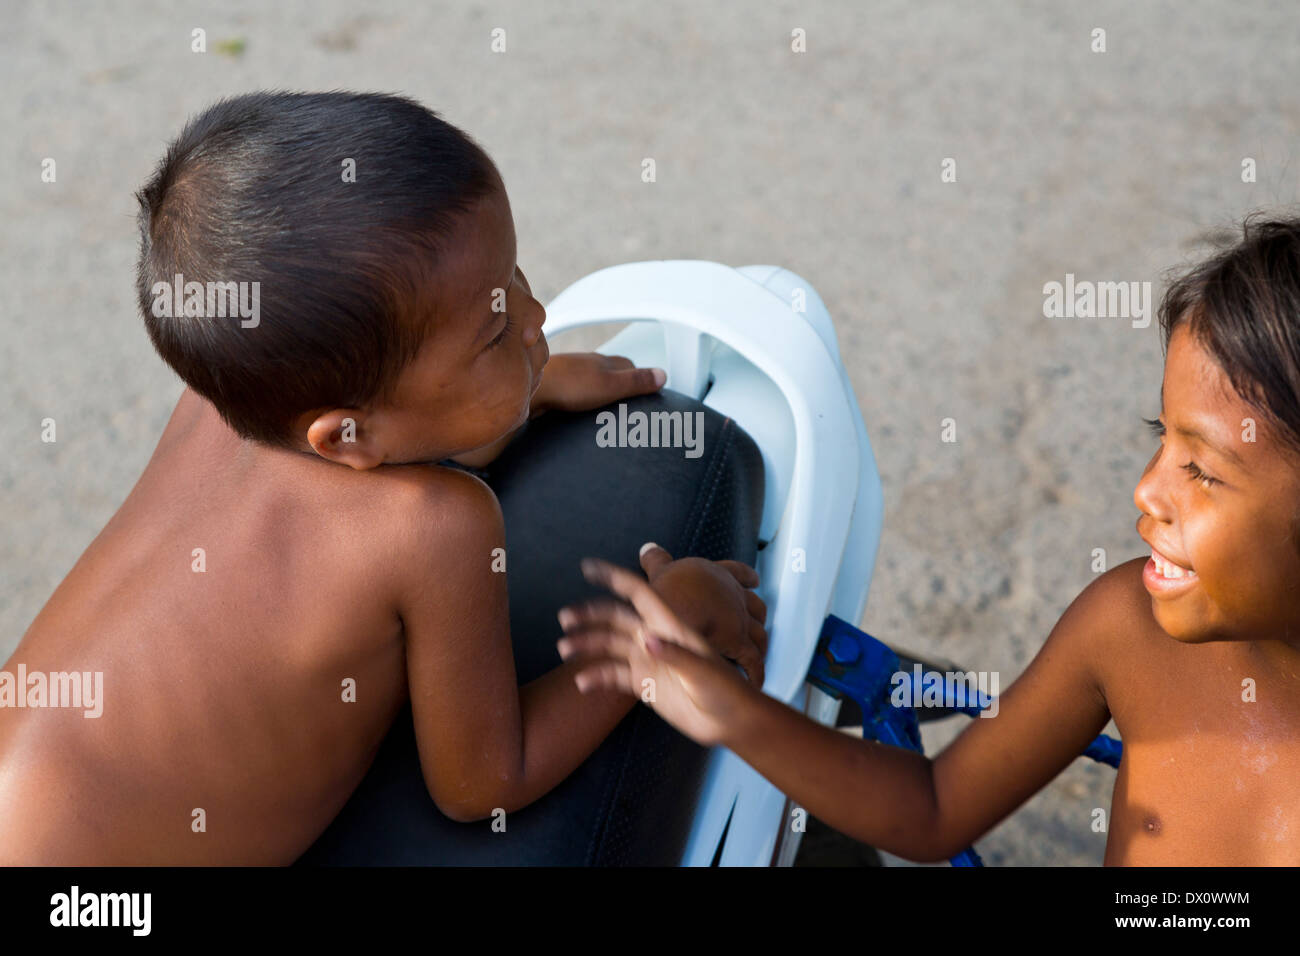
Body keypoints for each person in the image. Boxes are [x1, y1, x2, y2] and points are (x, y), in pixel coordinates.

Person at [0, 91, 766, 864]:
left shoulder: (219, 400)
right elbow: (483, 782)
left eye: (515, 279)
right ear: (346, 433)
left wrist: (518, 389)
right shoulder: (437, 527)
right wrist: (657, 636)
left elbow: (357, 457)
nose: (536, 317)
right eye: (495, 331)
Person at [560, 216, 1300, 865]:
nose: (1146, 489)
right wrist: (727, 709)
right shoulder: (1128, 629)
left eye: (1201, 470)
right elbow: (935, 808)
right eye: (1160, 438)